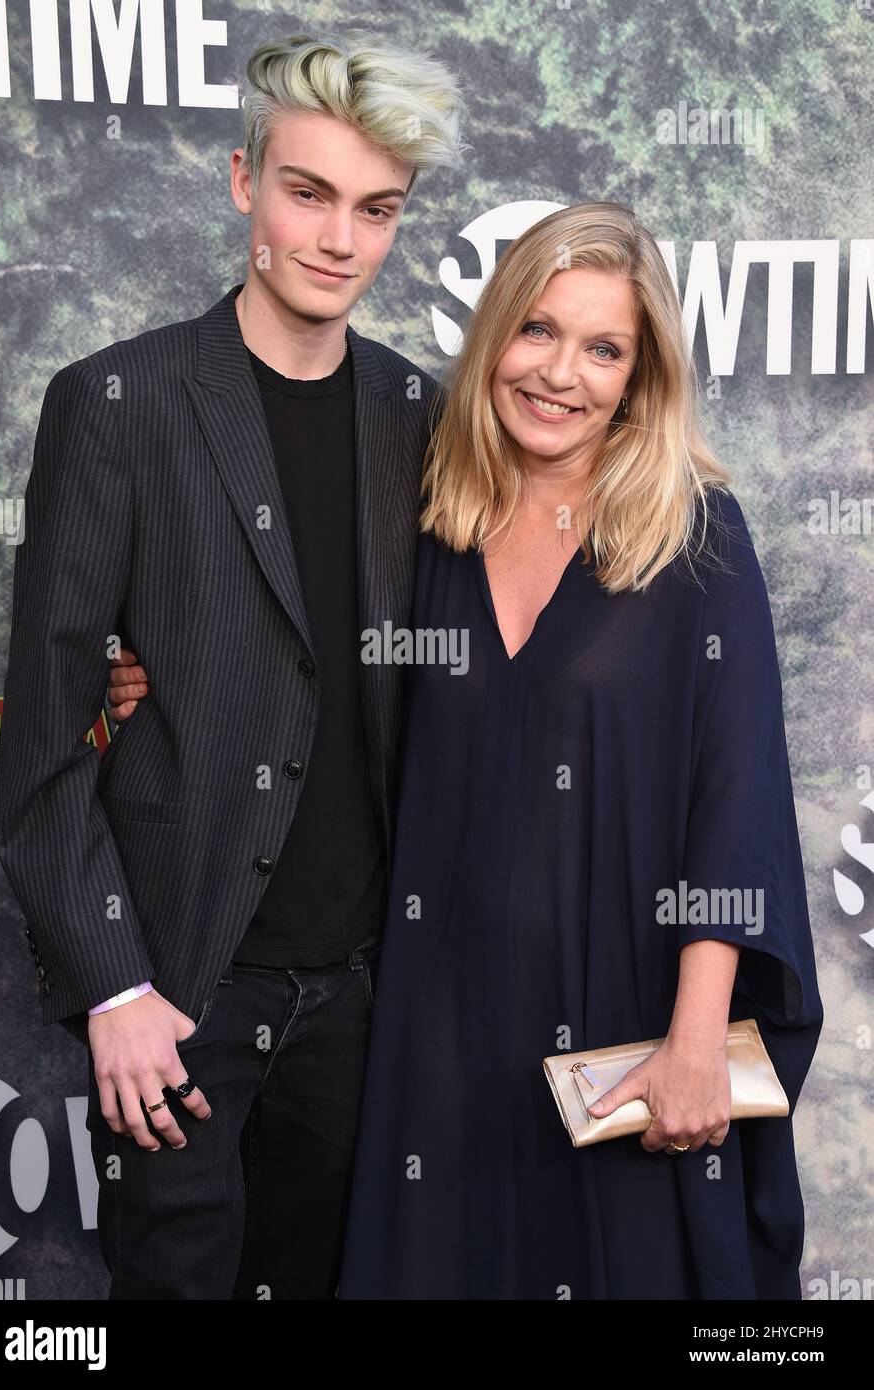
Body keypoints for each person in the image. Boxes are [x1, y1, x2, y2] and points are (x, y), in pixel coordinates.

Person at [117, 202, 824, 1299]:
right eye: (537, 330)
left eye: (604, 349)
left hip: (624, 1014)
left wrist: (696, 1034)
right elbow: (303, 672)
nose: (561, 373)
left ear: (640, 378)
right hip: (434, 1015)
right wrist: (146, 679)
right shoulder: (425, 520)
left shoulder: (694, 537)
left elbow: (734, 803)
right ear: (494, 337)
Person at [0, 33, 467, 1300]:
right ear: (240, 181)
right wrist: (118, 992)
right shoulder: (115, 405)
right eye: (307, 192)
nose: (337, 238)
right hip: (182, 990)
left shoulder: (417, 416)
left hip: (363, 994)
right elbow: (41, 750)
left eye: (376, 209)